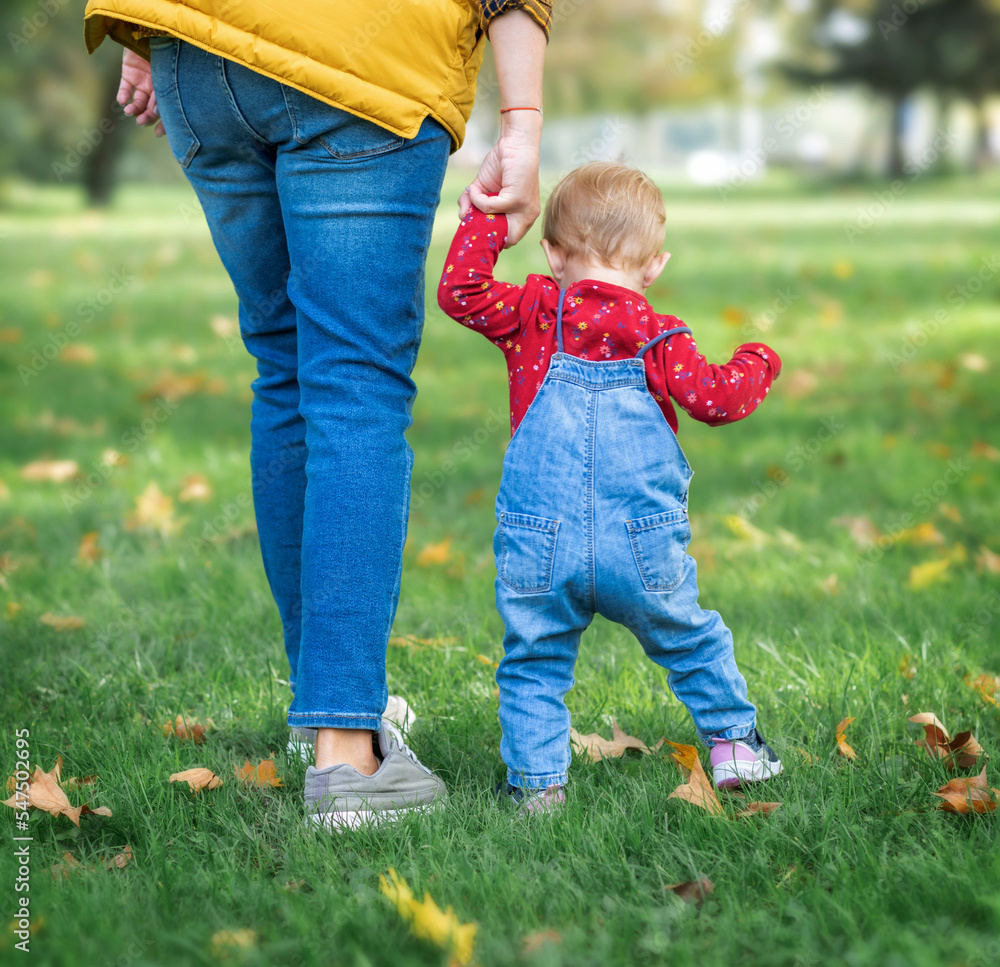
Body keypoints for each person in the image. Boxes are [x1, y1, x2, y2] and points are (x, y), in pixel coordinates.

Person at [83, 0, 550, 829]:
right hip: (360, 63)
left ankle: (324, 706)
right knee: (353, 383)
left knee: (287, 367)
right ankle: (346, 755)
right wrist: (523, 120)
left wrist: (143, 34)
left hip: (195, 59)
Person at [437, 162, 784, 812]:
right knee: (690, 638)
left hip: (542, 542)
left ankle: (537, 787)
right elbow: (716, 400)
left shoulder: (531, 313)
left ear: (552, 253)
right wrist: (758, 360)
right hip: (639, 545)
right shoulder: (661, 338)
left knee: (534, 658)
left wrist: (487, 220)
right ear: (654, 266)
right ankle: (736, 749)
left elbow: (460, 291)